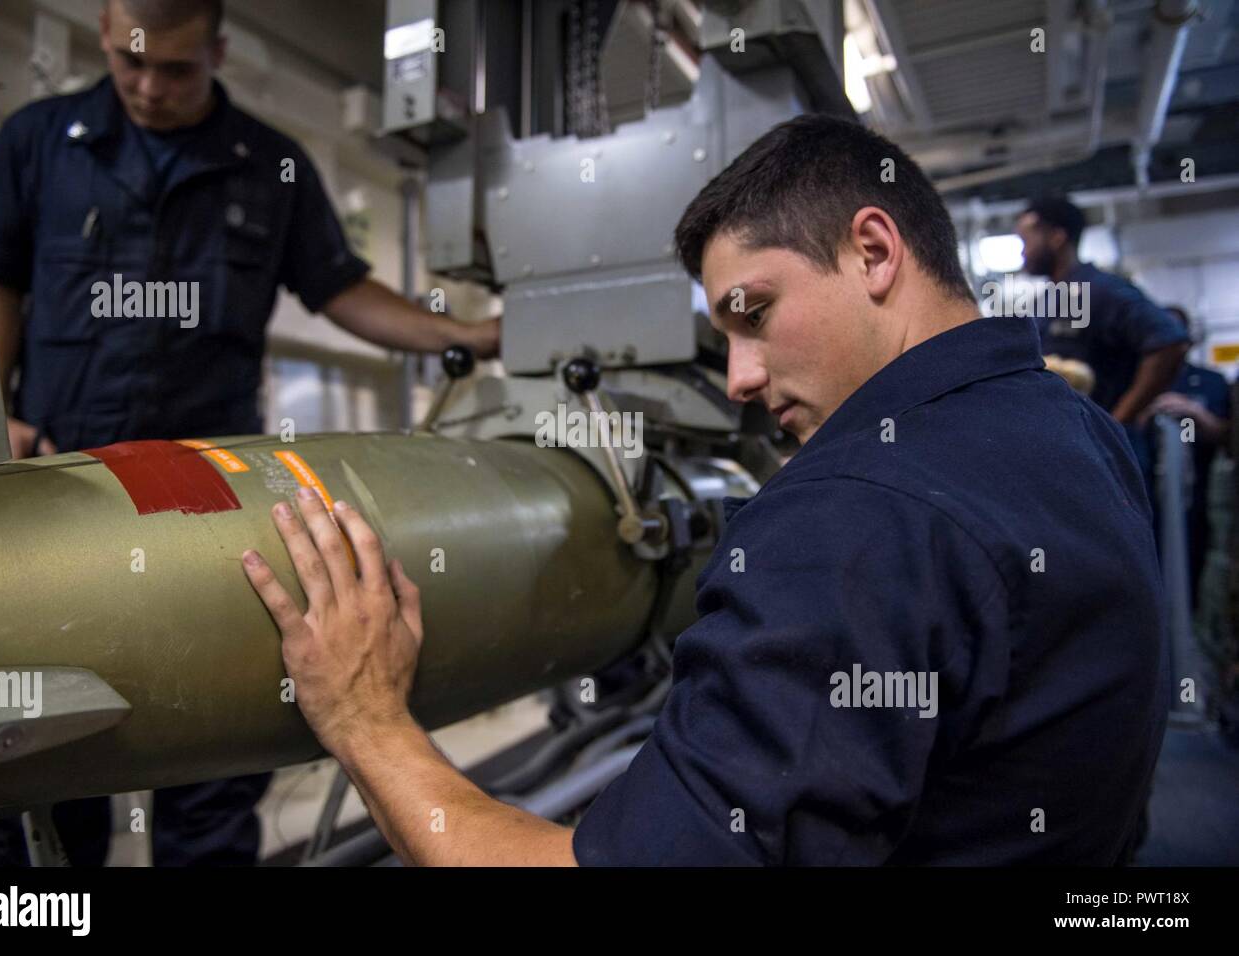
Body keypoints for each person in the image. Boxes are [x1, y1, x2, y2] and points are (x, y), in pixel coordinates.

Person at [240, 115, 1169, 865]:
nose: (739, 379)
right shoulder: (1078, 432)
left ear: (875, 251)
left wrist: (366, 723)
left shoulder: (856, 517)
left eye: (754, 315)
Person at [0, 0, 496, 865]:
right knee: (43, 774)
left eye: (177, 70)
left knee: (216, 768)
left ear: (219, 51)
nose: (152, 88)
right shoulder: (37, 140)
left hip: (216, 503)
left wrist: (463, 335)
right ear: (104, 33)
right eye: (135, 65)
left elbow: (339, 287)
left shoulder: (270, 165)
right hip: (59, 491)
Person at [1016, 197, 1187, 477]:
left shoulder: (1102, 291)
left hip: (1108, 457)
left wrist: (1119, 421)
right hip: (1066, 450)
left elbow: (1170, 343)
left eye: (1026, 241)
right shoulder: (1046, 301)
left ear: (1057, 237)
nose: (1023, 253)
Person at [1139, 306, 1231, 607]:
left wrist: (1195, 413)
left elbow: (1226, 435)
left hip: (1197, 500)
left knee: (1196, 577)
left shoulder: (1210, 381)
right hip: (1147, 498)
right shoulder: (1140, 382)